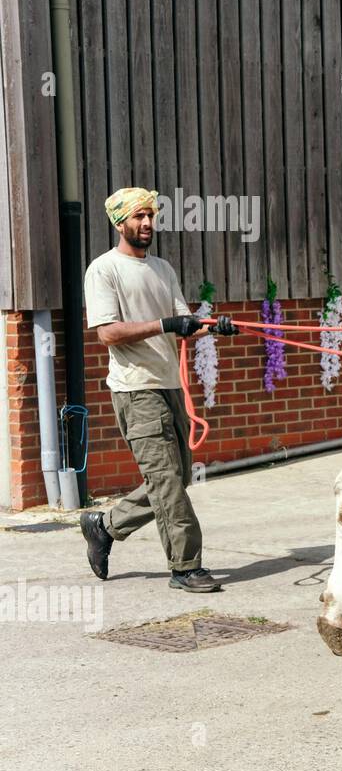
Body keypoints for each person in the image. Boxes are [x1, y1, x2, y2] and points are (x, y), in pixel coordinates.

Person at [79, 187, 237, 592]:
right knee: (166, 481)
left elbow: (183, 325)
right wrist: (164, 324)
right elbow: (108, 332)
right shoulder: (104, 269)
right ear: (120, 223)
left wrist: (211, 327)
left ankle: (105, 526)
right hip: (135, 390)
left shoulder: (162, 269)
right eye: (138, 217)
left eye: (151, 216)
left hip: (168, 386)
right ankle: (186, 567)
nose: (147, 223)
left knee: (177, 478)